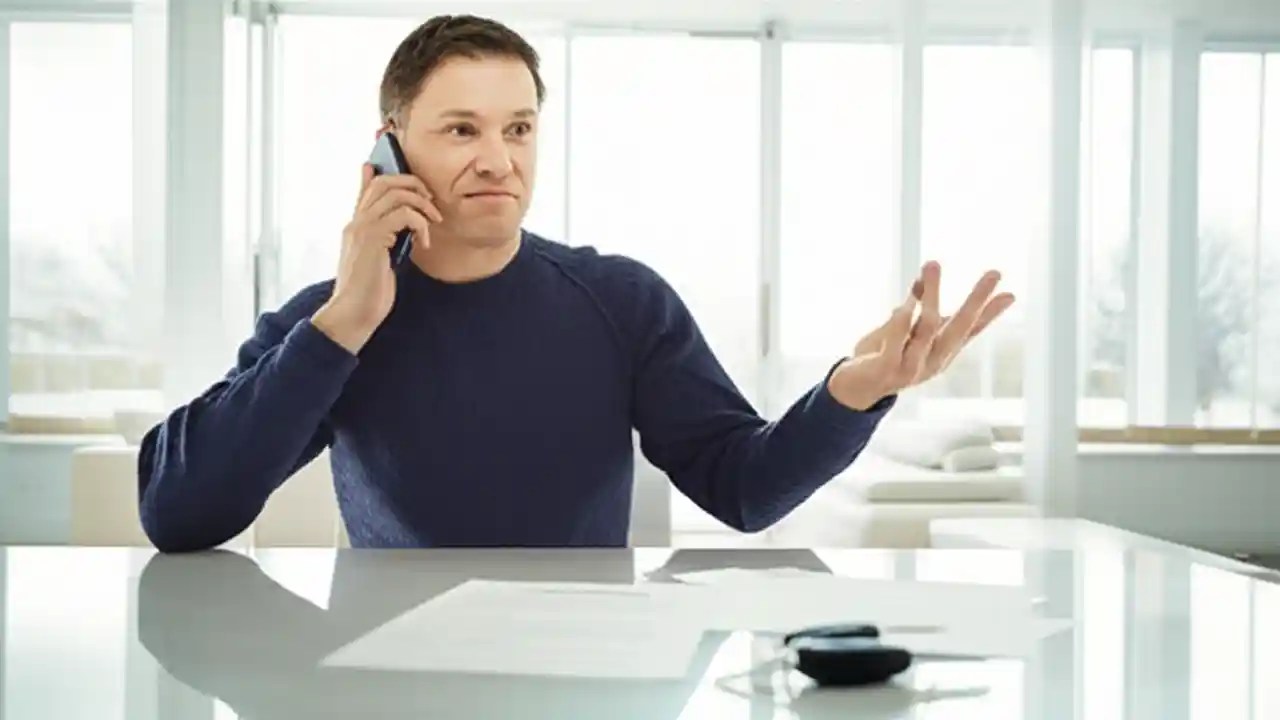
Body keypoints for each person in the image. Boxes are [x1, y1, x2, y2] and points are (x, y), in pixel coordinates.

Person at [137, 14, 1014, 552]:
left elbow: (743, 489)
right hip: (395, 676)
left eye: (518, 128)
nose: (497, 159)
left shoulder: (623, 302)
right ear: (391, 147)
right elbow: (179, 515)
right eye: (460, 130)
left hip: (585, 673)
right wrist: (345, 322)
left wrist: (854, 392)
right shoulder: (330, 321)